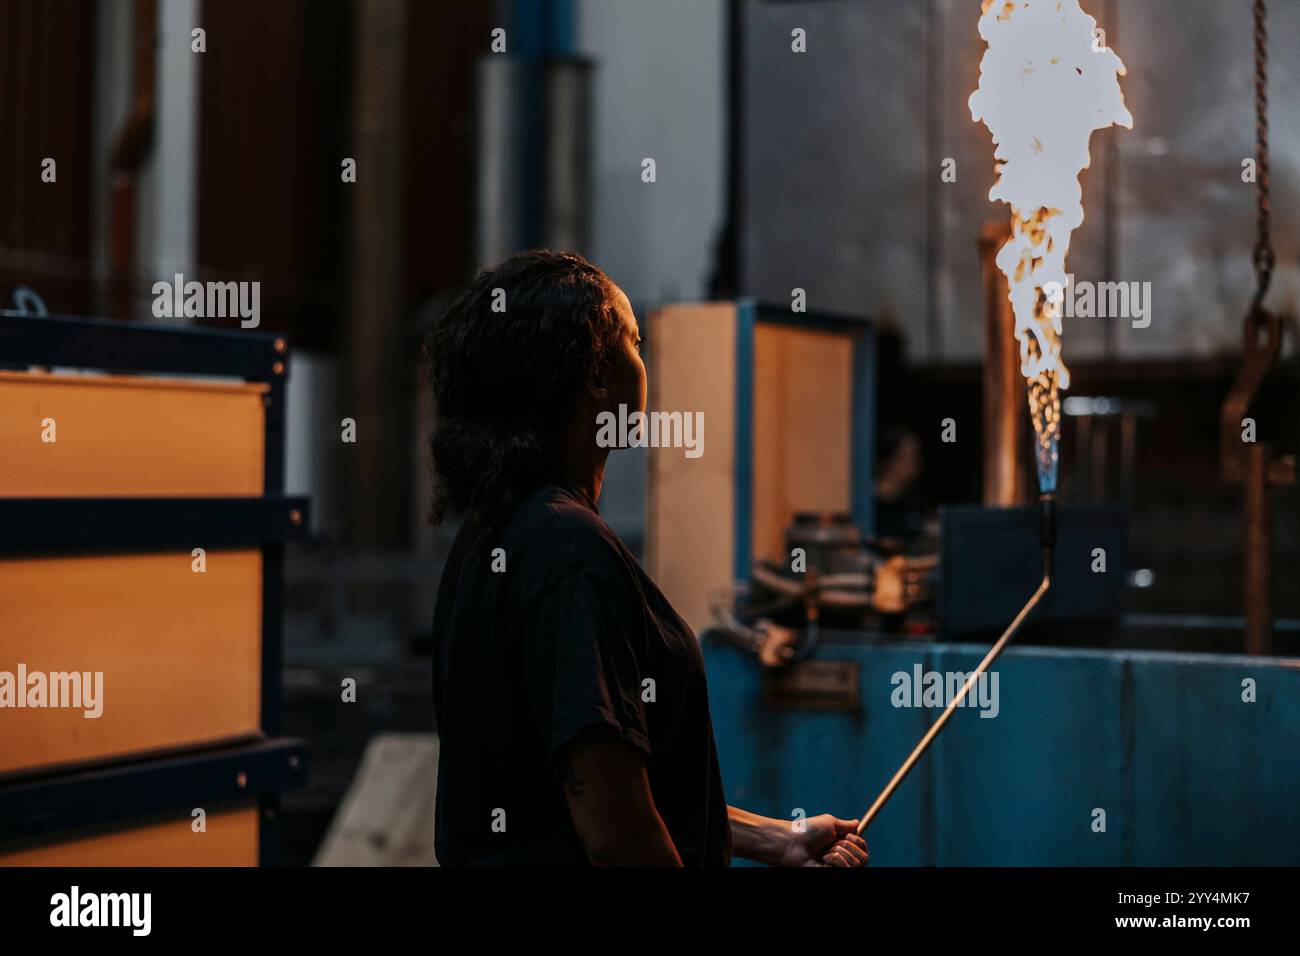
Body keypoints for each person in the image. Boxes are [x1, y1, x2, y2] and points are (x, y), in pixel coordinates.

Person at [427, 250, 869, 867]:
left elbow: (597, 783)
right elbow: (617, 831)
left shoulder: (498, 534)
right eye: (634, 342)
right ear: (597, 376)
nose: (646, 363)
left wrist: (778, 838)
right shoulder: (568, 551)